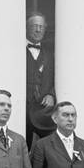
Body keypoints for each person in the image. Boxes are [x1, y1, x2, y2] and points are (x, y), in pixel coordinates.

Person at [25, 13, 56, 146]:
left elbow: (58, 77)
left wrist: (52, 95)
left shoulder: (51, 53)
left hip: (44, 112)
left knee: (49, 149)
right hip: (22, 110)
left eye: (41, 27)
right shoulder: (16, 50)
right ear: (26, 28)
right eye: (34, 26)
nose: (38, 30)